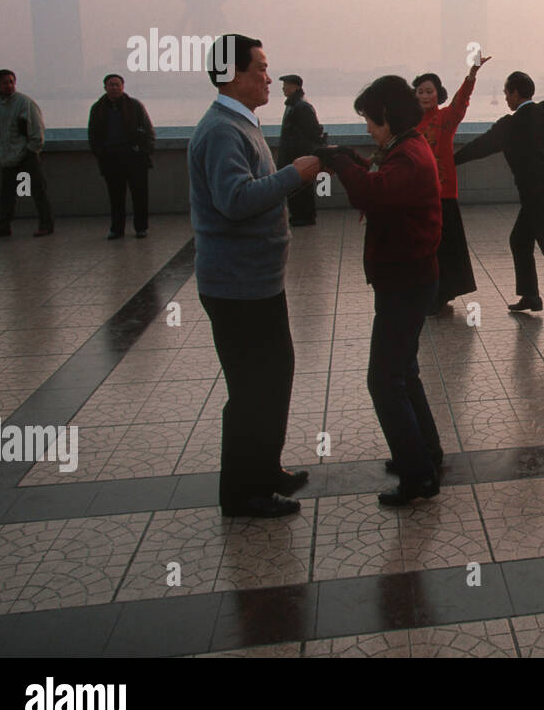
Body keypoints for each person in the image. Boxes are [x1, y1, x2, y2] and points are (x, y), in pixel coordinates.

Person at [189, 34, 320, 518]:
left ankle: (265, 468)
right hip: (237, 287)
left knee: (275, 376)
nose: (269, 76)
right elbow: (235, 200)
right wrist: (294, 175)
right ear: (233, 75)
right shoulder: (223, 130)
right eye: (261, 68)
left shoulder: (240, 122)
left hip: (259, 283)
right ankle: (243, 495)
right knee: (251, 391)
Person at [318, 76, 445, 504]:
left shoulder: (408, 155)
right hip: (409, 277)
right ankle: (425, 453)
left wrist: (338, 164)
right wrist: (348, 157)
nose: (369, 129)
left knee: (383, 380)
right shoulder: (406, 146)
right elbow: (378, 174)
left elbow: (371, 192)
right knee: (404, 372)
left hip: (405, 282)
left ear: (386, 115)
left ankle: (418, 478)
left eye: (370, 120)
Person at [453, 69, 544, 314]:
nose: (506, 98)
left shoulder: (509, 125)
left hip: (534, 196)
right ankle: (531, 296)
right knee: (520, 240)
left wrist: (447, 162)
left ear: (516, 94)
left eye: (507, 93)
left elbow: (477, 148)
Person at [412, 58, 490, 314]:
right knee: (424, 248)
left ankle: (442, 294)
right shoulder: (409, 127)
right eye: (420, 91)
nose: (425, 95)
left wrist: (471, 75)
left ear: (438, 94)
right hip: (418, 195)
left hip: (443, 193)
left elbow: (461, 102)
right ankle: (426, 293)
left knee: (444, 248)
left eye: (429, 91)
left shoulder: (446, 118)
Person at [0, 69, 53, 238]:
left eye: (11, 82)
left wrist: (31, 150)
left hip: (27, 154)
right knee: (7, 193)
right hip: (7, 156)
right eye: (5, 82)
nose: (9, 85)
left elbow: (37, 128)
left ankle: (46, 224)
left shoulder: (24, 102)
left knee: (37, 190)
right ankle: (3, 226)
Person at [87, 73, 155, 239]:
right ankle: (117, 229)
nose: (115, 87)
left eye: (117, 84)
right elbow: (93, 135)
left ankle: (141, 227)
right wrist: (101, 154)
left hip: (134, 158)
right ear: (105, 88)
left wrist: (143, 151)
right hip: (111, 159)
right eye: (111, 85)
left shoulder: (134, 106)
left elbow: (148, 130)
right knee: (116, 197)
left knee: (140, 195)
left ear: (123, 87)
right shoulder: (98, 108)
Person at [277, 74, 325, 227]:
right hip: (292, 153)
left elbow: (314, 131)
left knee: (302, 187)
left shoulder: (301, 106)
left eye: (286, 85)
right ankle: (298, 215)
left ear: (295, 87)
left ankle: (305, 216)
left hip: (299, 153)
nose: (283, 88)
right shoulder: (293, 104)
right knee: (296, 186)